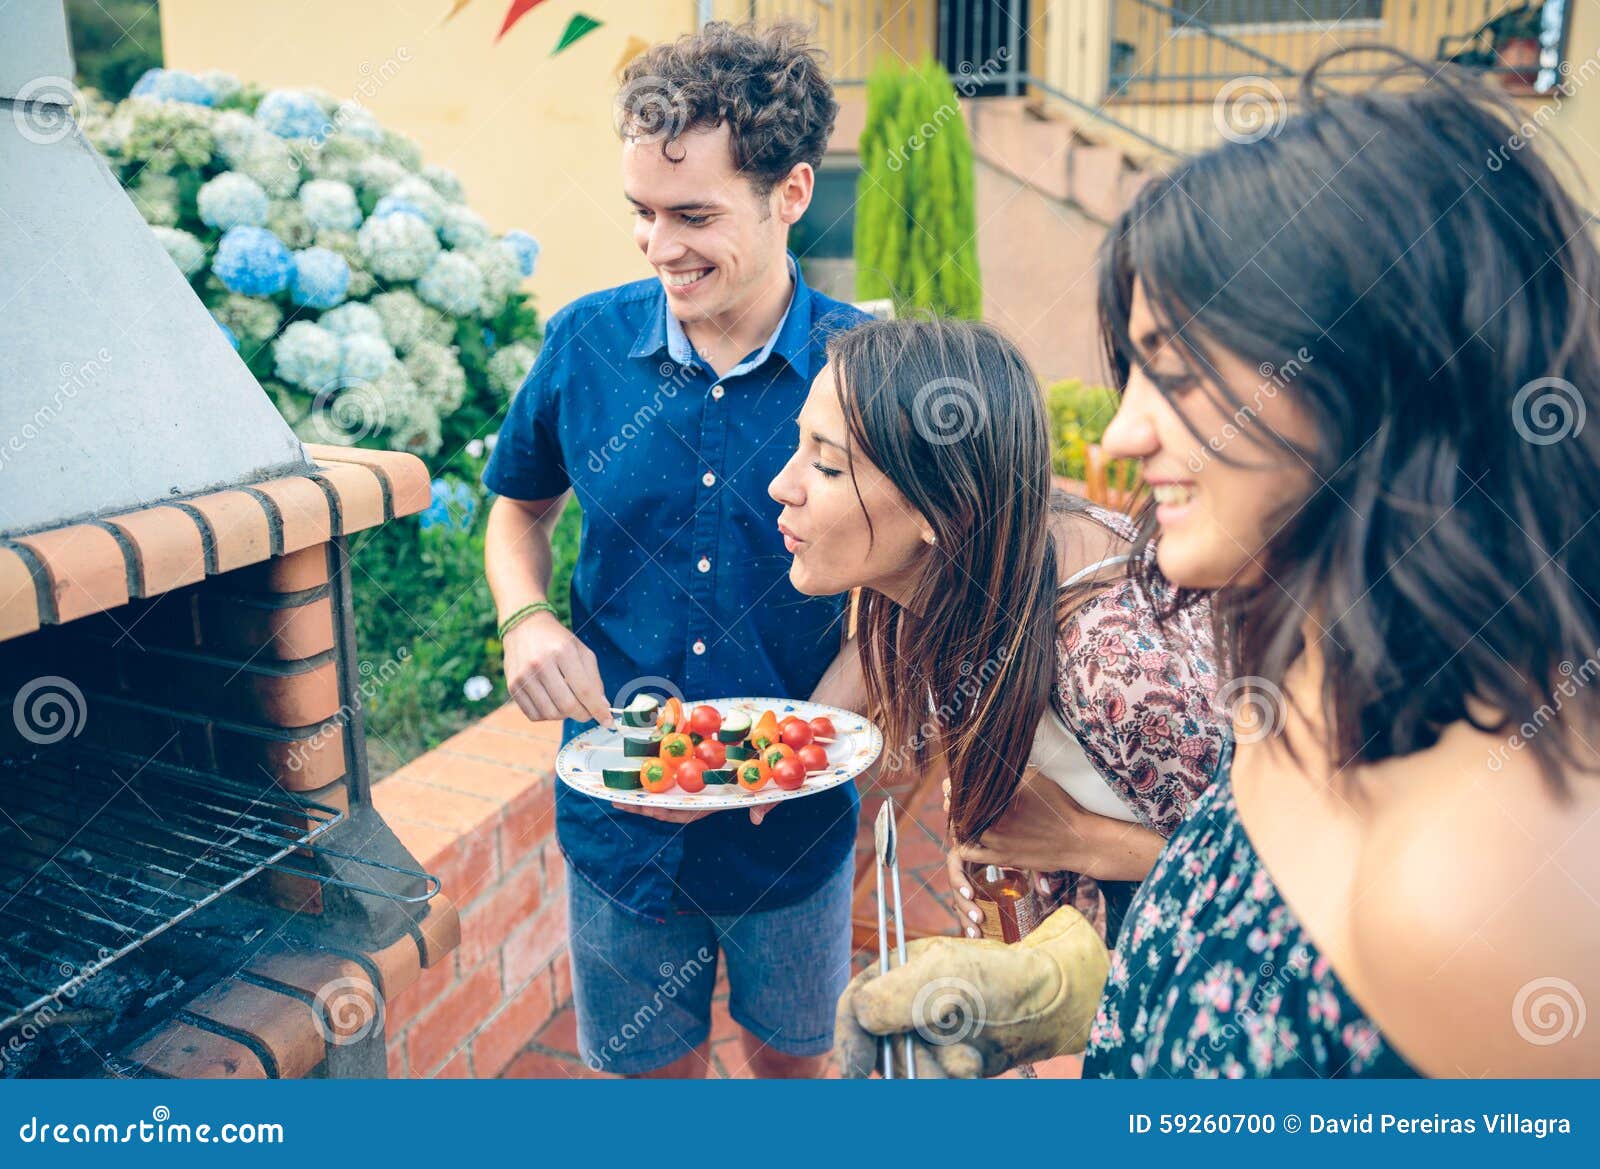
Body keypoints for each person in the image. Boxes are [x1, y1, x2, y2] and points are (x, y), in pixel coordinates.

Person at [833, 49, 1600, 1078]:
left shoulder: (1472, 896)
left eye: (1179, 372)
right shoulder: (1285, 694)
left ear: (1374, 386)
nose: (1120, 435)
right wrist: (1064, 999)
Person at [483, 21, 868, 1079]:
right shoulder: (584, 342)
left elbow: (902, 586)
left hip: (793, 824)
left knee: (795, 1065)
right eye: (643, 214)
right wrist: (524, 614)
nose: (659, 247)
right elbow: (517, 508)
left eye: (695, 215)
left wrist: (813, 730)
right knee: (649, 1085)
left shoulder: (863, 369)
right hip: (617, 827)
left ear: (790, 193)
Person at [765, 315, 1228, 952]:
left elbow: (1278, 865)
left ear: (941, 510)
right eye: (800, 448)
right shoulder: (986, 556)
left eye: (828, 467)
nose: (780, 486)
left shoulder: (1116, 668)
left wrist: (1078, 841)